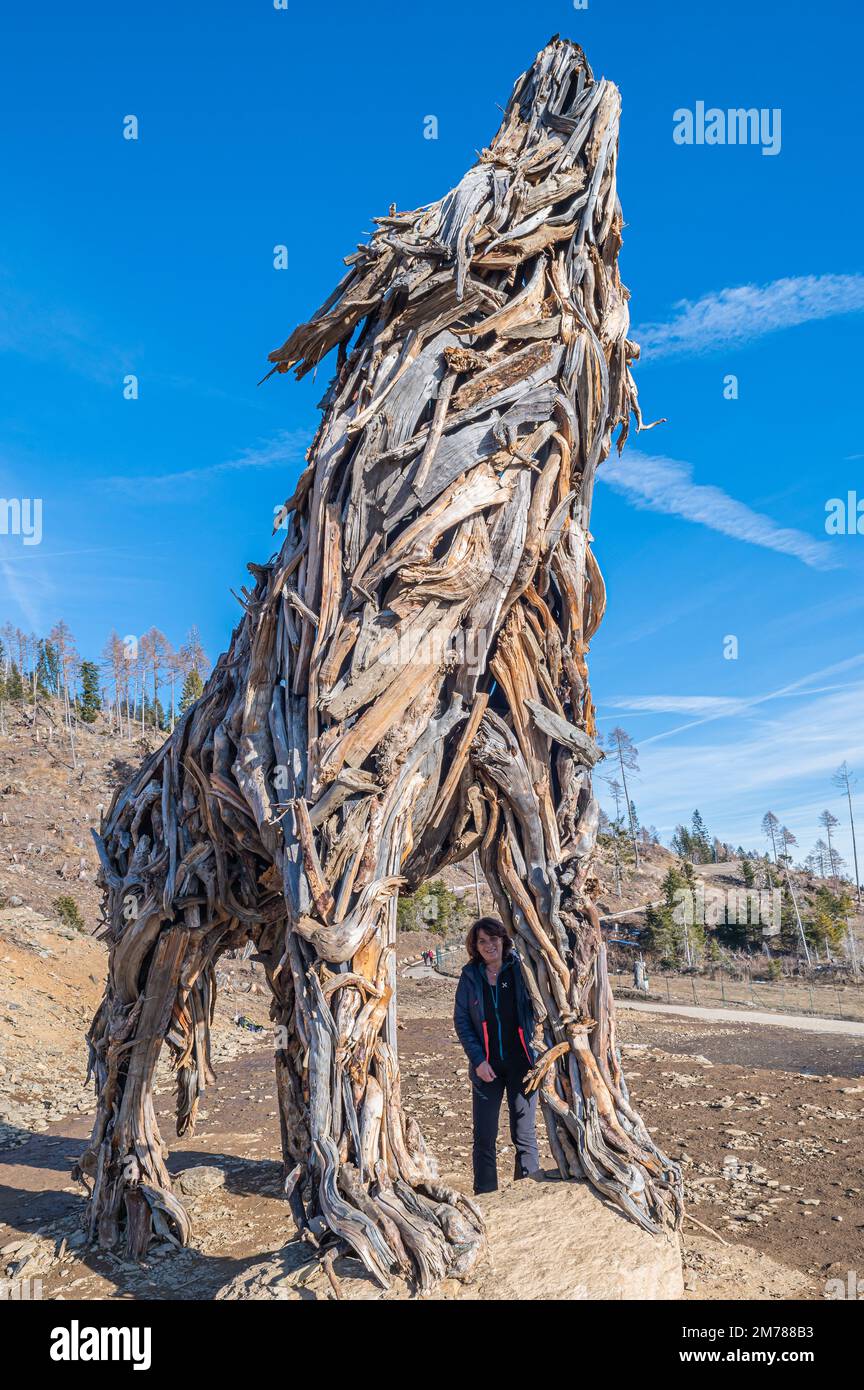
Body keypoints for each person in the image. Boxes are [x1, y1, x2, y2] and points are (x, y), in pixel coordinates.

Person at [453, 916, 542, 1194]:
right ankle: (485, 1197)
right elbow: (462, 1021)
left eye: (494, 939)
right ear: (474, 946)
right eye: (482, 941)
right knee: (484, 1137)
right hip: (486, 1070)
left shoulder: (520, 970)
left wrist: (536, 1055)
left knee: (524, 1135)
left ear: (504, 940)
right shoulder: (470, 976)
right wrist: (478, 1061)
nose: (489, 945)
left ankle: (526, 1195)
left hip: (523, 1066)